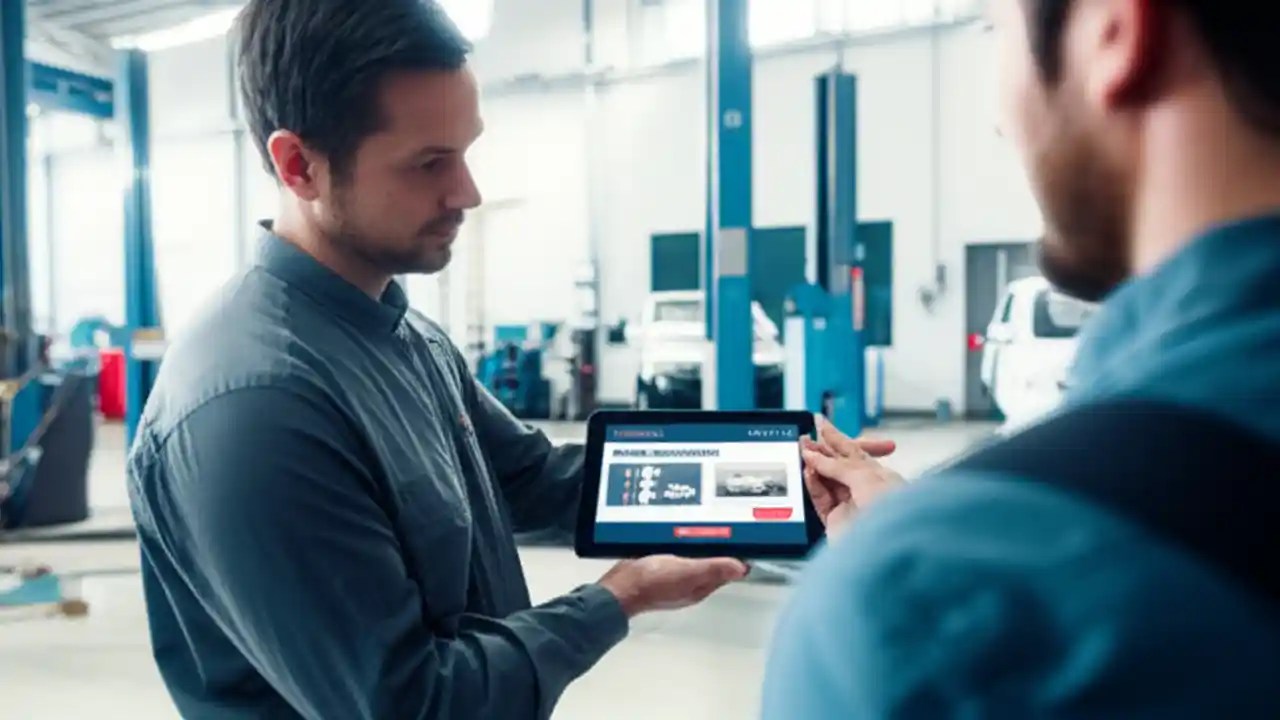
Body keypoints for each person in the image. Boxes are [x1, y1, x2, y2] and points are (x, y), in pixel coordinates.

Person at [126, 2, 748, 719]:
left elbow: (533, 480)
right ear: (299, 165)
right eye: (429, 163)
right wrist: (617, 599)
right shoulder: (255, 410)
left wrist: (755, 477)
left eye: (465, 149)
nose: (467, 192)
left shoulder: (402, 334)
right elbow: (413, 704)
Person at [763, 0, 1280, 716]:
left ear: (1116, 32)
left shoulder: (931, 606)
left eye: (995, 33)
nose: (1003, 122)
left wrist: (924, 549)